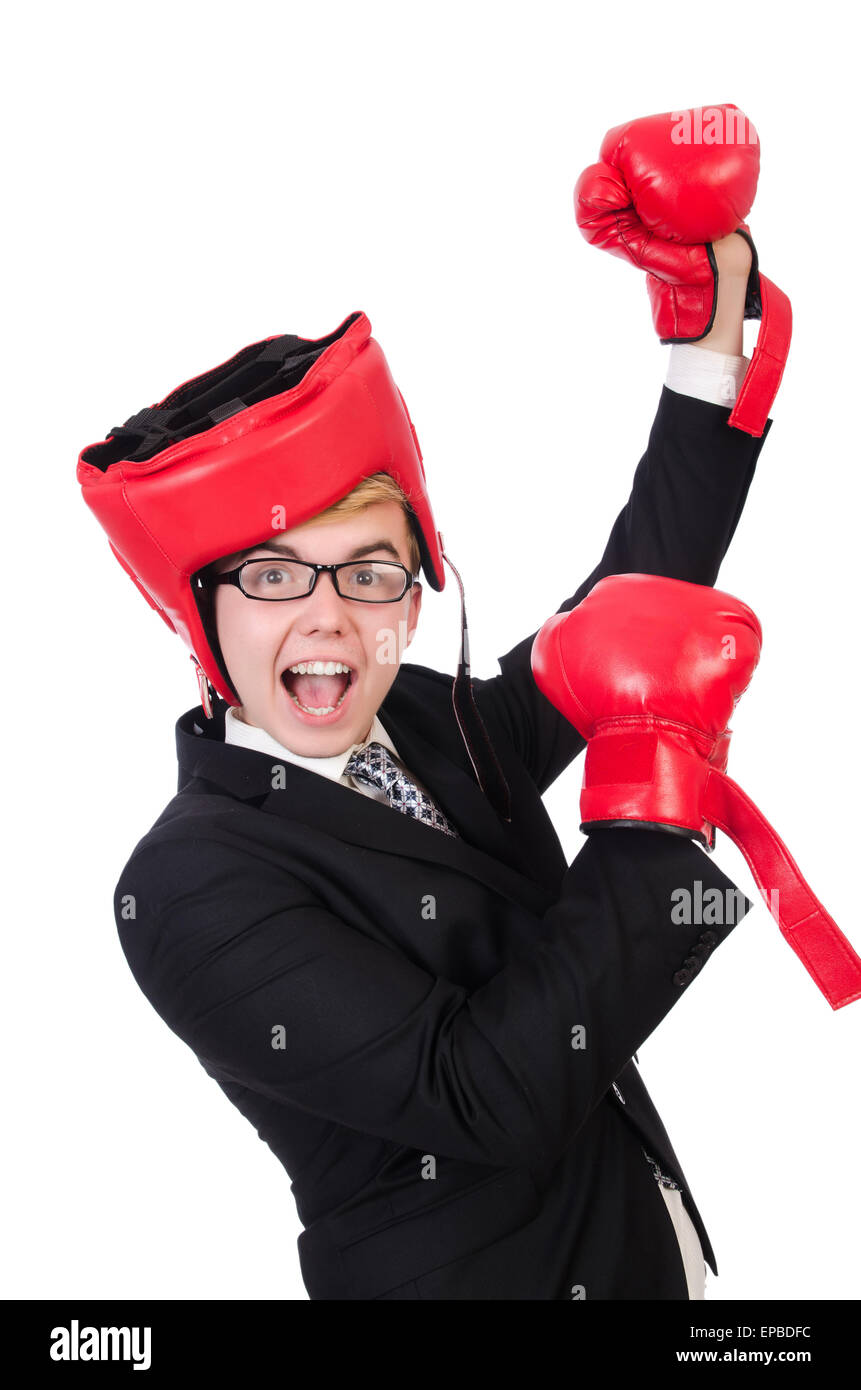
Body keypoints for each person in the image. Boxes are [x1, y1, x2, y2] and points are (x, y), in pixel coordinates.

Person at [79, 225, 773, 1297]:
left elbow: (626, 610)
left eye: (368, 572)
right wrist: (654, 815)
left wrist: (707, 326)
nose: (329, 621)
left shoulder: (422, 716)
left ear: (415, 591)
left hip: (641, 1249)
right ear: (200, 615)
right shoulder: (184, 888)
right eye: (274, 577)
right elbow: (487, 1092)